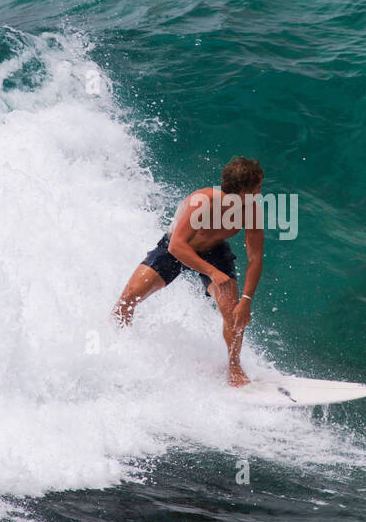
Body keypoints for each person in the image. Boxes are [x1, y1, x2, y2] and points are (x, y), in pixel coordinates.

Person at [113, 156, 265, 386]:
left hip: (215, 252)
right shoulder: (202, 202)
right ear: (242, 190)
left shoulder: (251, 210)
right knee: (127, 300)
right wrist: (212, 272)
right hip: (175, 249)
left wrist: (246, 300)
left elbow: (255, 259)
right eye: (257, 188)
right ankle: (117, 347)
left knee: (233, 312)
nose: (260, 193)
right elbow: (177, 246)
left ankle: (234, 366)